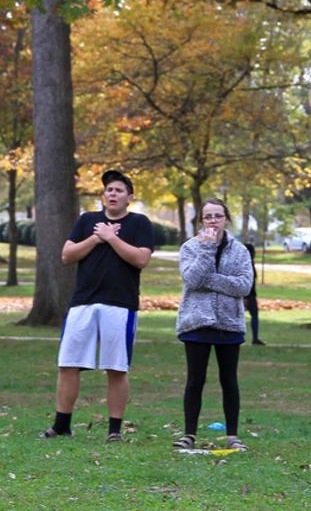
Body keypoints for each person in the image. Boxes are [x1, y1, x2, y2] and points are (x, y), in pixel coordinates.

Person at [41, 170, 154, 443]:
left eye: (118, 190)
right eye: (109, 190)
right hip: (83, 303)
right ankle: (62, 425)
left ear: (130, 197)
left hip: (120, 305)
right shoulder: (87, 221)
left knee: (116, 367)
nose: (112, 194)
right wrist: (97, 237)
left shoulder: (139, 223)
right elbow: (67, 255)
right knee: (68, 364)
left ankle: (114, 430)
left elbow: (141, 259)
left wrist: (112, 237)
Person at [172, 199, 253, 452]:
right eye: (208, 217)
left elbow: (244, 286)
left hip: (229, 324)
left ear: (226, 218)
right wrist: (206, 250)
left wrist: (213, 280)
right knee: (195, 380)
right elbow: (193, 280)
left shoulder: (240, 250)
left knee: (229, 380)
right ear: (201, 221)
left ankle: (232, 435)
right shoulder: (190, 248)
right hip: (196, 323)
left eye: (218, 216)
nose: (213, 221)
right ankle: (189, 434)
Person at [243, 243, 264, 345]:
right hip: (248, 295)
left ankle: (255, 338)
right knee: (253, 315)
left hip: (249, 294)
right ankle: (254, 338)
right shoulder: (247, 264)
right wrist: (246, 297)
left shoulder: (247, 262)